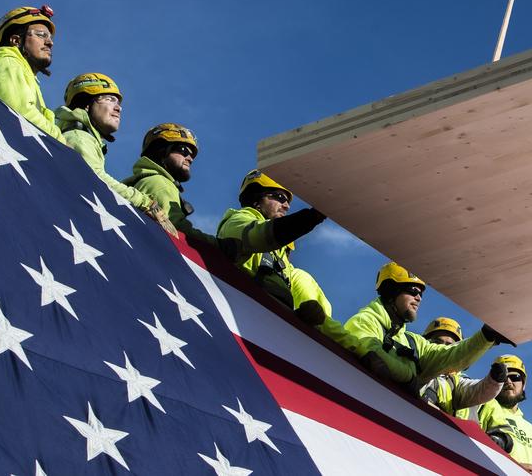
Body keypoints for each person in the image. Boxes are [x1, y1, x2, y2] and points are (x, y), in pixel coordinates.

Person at [216, 171, 369, 358]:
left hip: (271, 336)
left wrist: (362, 351)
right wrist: (314, 215)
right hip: (242, 327)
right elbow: (257, 236)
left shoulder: (283, 265)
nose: (286, 205)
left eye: (287, 201)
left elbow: (320, 319)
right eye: (279, 197)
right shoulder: (238, 220)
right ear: (256, 199)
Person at [343, 262, 511, 389]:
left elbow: (450, 355)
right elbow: (372, 353)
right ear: (391, 291)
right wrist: (411, 376)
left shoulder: (413, 342)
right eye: (412, 290)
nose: (419, 297)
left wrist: (486, 336)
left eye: (421, 293)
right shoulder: (364, 321)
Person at [54, 73, 174, 234]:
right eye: (109, 99)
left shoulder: (86, 139)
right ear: (86, 104)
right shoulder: (80, 138)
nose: (118, 108)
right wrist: (144, 201)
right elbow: (94, 178)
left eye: (118, 102)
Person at [123, 123, 237, 253]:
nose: (190, 159)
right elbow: (178, 230)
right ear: (161, 150)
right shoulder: (159, 183)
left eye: (192, 155)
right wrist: (220, 246)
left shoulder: (148, 180)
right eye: (184, 151)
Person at [0, 5, 65, 142]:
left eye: (50, 37)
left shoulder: (25, 74)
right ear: (16, 41)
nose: (50, 42)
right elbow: (19, 111)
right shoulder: (8, 62)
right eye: (41, 35)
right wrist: (63, 144)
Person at [419, 317, 507, 419]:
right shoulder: (415, 363)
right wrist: (487, 334)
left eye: (449, 345)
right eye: (437, 342)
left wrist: (494, 380)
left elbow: (477, 391)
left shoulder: (455, 382)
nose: (443, 348)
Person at [477, 354, 532, 474]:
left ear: (523, 384)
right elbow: (475, 446)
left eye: (515, 377)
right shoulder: (483, 407)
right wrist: (513, 467)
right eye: (503, 377)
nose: (508, 381)